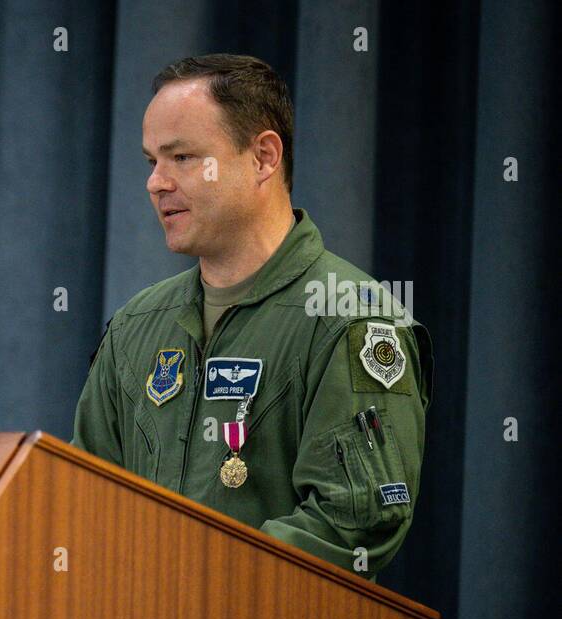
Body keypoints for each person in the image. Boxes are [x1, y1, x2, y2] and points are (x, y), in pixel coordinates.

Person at [72, 54, 432, 579]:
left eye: (183, 157)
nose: (156, 182)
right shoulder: (136, 325)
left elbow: (351, 521)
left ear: (263, 157)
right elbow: (83, 502)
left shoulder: (352, 319)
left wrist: (184, 588)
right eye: (151, 161)